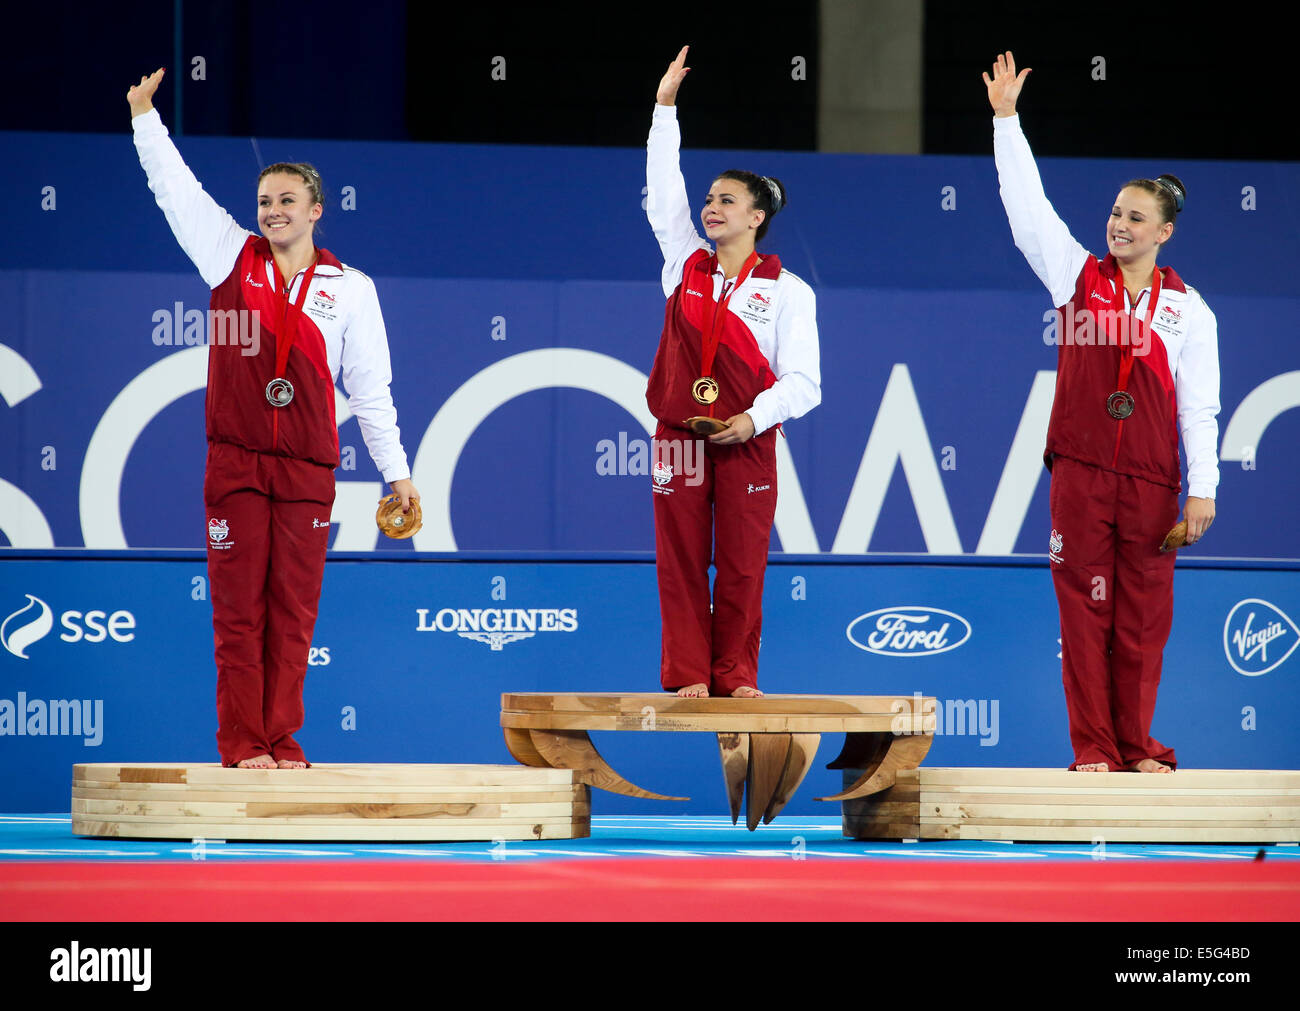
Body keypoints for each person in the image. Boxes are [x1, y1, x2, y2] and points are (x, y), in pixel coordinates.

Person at [127, 68, 419, 769]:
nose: (272, 210)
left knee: (292, 615)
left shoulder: (352, 290)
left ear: (317, 209)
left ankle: (282, 737)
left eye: (287, 199)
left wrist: (397, 474)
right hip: (236, 462)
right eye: (264, 200)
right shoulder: (229, 257)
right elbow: (177, 192)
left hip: (309, 470)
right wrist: (144, 118)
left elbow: (371, 388)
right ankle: (243, 743)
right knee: (238, 614)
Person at [984, 52, 1220, 772]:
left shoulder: (1188, 311)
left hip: (1151, 483)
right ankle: (1093, 748)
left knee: (1143, 619)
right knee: (1084, 615)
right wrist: (1006, 121)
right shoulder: (1075, 274)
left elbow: (1200, 405)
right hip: (1082, 475)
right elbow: (1028, 210)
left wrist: (1202, 485)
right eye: (1116, 212)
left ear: (1165, 233)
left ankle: (1138, 745)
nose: (1119, 224)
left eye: (1136, 218)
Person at [645, 47, 821, 700]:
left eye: (727, 200)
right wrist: (665, 109)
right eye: (709, 197)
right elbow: (661, 194)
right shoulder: (682, 265)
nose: (710, 206)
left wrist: (750, 418)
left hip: (747, 440)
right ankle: (689, 672)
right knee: (682, 562)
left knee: (744, 566)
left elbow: (806, 383)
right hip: (678, 437)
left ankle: (737, 675)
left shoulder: (788, 292)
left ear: (757, 217)